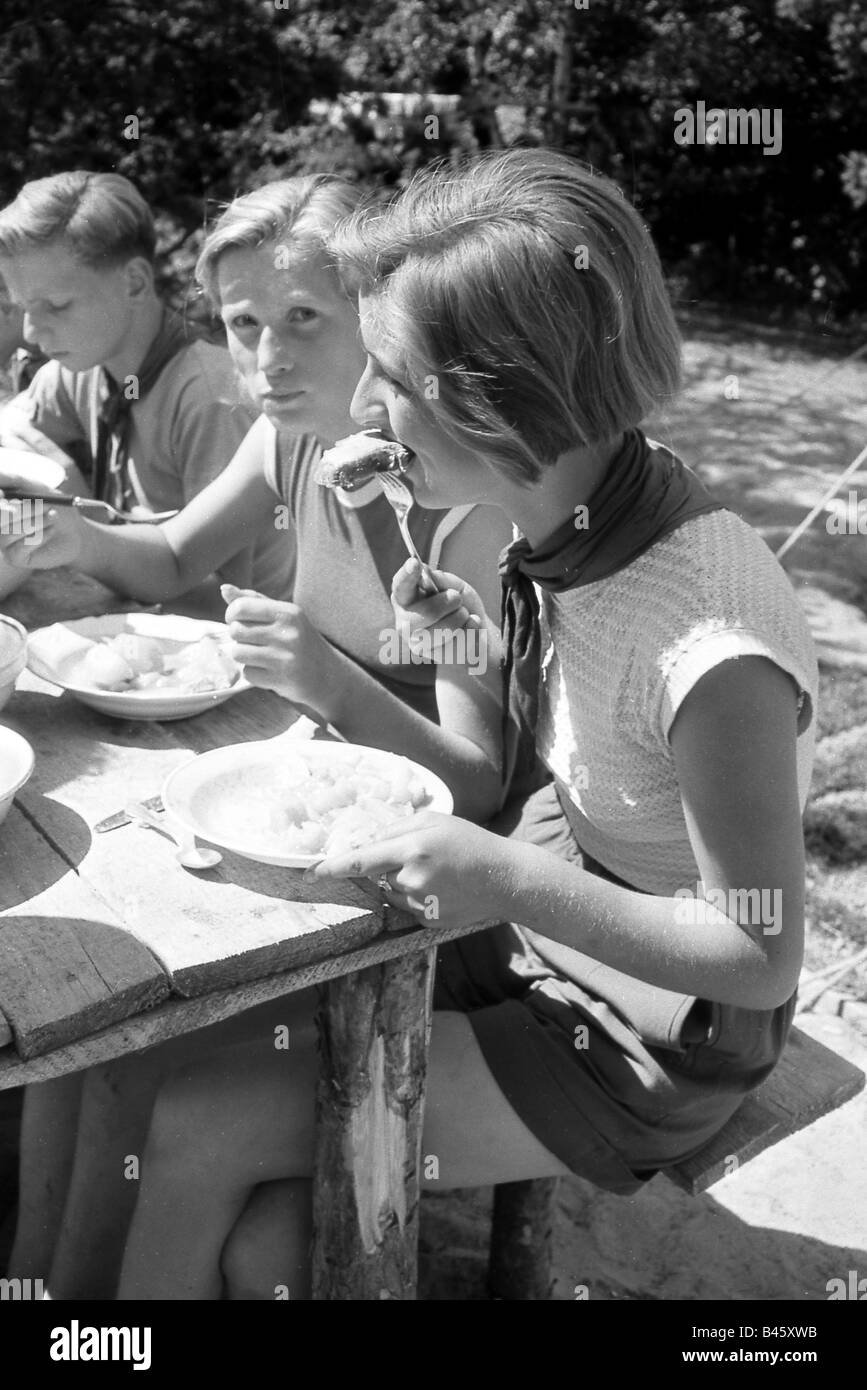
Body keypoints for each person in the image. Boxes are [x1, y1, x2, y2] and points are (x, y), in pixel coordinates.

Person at [104, 149, 817, 1301]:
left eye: (389, 372)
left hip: (647, 1027)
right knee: (200, 1114)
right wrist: (464, 643)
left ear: (498, 395)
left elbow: (756, 953)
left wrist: (500, 878)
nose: (364, 408)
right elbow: (574, 737)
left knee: (198, 1121)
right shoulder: (567, 513)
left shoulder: (710, 639)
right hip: (544, 928)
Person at [2, 175, 512, 1300]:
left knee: (126, 1065)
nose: (268, 357)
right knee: (67, 1057)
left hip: (421, 905)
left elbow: (480, 787)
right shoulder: (291, 444)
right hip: (287, 842)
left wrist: (328, 677)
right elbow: (173, 555)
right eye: (242, 325)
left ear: (379, 315)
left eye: (303, 321)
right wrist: (48, 534)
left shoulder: (460, 506)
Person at [0, 170, 284, 600]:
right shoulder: (80, 368)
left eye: (55, 306)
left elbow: (223, 594)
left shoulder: (211, 398)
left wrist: (82, 523)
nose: (33, 332)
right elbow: (15, 434)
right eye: (22, 308)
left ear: (133, 281)